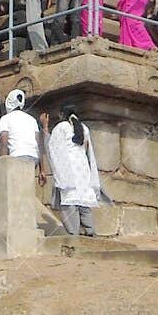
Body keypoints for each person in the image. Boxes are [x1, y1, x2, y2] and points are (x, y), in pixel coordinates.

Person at [46, 101, 108, 236]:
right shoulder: (84, 128)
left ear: (62, 113)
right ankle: (90, 231)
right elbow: (86, 148)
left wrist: (45, 130)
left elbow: (53, 148)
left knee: (70, 201)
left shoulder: (61, 127)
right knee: (84, 201)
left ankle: (73, 234)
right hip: (83, 169)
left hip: (68, 169)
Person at [0, 89, 45, 185]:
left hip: (17, 156)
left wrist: (2, 164)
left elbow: (4, 143)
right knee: (27, 186)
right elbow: (39, 145)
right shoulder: (32, 119)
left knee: (16, 187)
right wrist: (42, 170)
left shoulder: (5, 119)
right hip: (33, 157)